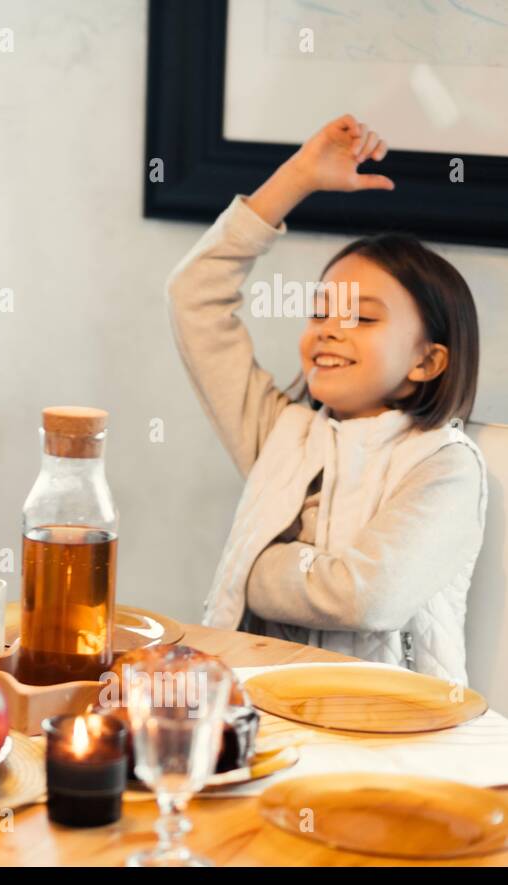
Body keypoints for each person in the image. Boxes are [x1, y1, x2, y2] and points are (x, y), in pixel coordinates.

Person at [166, 115, 486, 684]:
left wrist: (254, 564)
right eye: (320, 311)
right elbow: (193, 296)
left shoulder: (443, 464)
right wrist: (296, 179)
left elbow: (367, 598)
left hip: (390, 728)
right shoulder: (280, 432)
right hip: (265, 711)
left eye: (361, 317)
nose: (329, 330)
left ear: (427, 361)